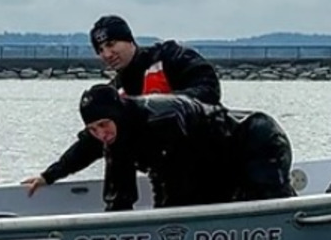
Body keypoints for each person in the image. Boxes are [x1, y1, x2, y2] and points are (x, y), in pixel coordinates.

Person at [21, 14, 221, 195]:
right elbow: (92, 143)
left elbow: (209, 89)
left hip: (207, 157)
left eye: (111, 44)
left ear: (129, 40)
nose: (107, 54)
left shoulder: (170, 57)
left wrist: (158, 107)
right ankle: (120, 211)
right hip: (165, 174)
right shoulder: (114, 95)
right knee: (115, 145)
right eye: (100, 50)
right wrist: (49, 175)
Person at [75, 83, 295, 211]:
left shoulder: (162, 119)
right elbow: (119, 198)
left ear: (117, 116)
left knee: (262, 203)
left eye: (103, 125)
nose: (101, 134)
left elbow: (175, 183)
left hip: (257, 141)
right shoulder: (114, 140)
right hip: (214, 160)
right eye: (93, 130)